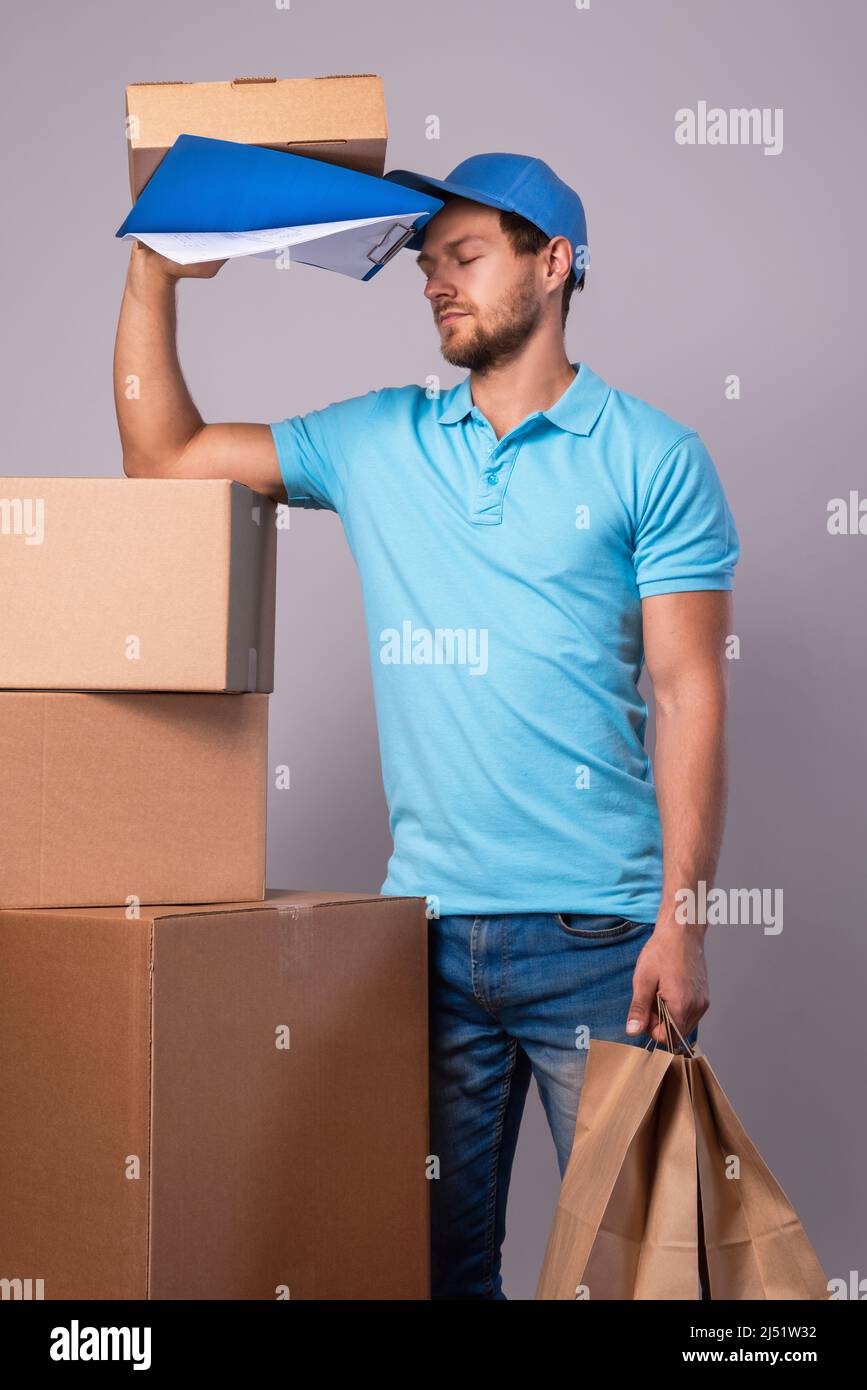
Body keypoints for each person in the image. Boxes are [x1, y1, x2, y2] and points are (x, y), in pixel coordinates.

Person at [114, 152, 739, 1300]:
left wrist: (683, 921)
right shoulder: (377, 440)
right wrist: (152, 273)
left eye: (463, 257)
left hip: (600, 942)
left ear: (553, 265)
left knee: (657, 1279)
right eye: (425, 264)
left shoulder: (655, 457)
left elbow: (691, 691)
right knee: (438, 1275)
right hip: (428, 942)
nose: (434, 283)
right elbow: (164, 458)